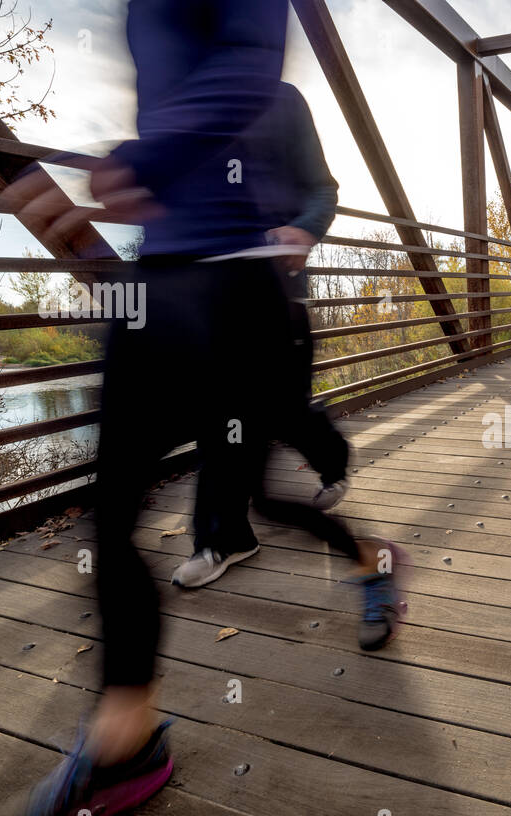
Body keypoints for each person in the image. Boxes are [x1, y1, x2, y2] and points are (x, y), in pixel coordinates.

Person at [0, 0, 402, 816]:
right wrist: (103, 193)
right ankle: (127, 737)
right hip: (162, 289)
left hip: (253, 298)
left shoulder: (283, 103)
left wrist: (302, 223)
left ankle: (372, 560)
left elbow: (260, 76)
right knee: (109, 505)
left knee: (264, 495)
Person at [171, 82, 357, 593]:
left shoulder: (282, 99)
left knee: (286, 409)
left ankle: (334, 461)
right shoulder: (185, 102)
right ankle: (225, 538)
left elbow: (323, 187)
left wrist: (304, 230)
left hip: (279, 295)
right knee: (220, 421)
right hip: (212, 298)